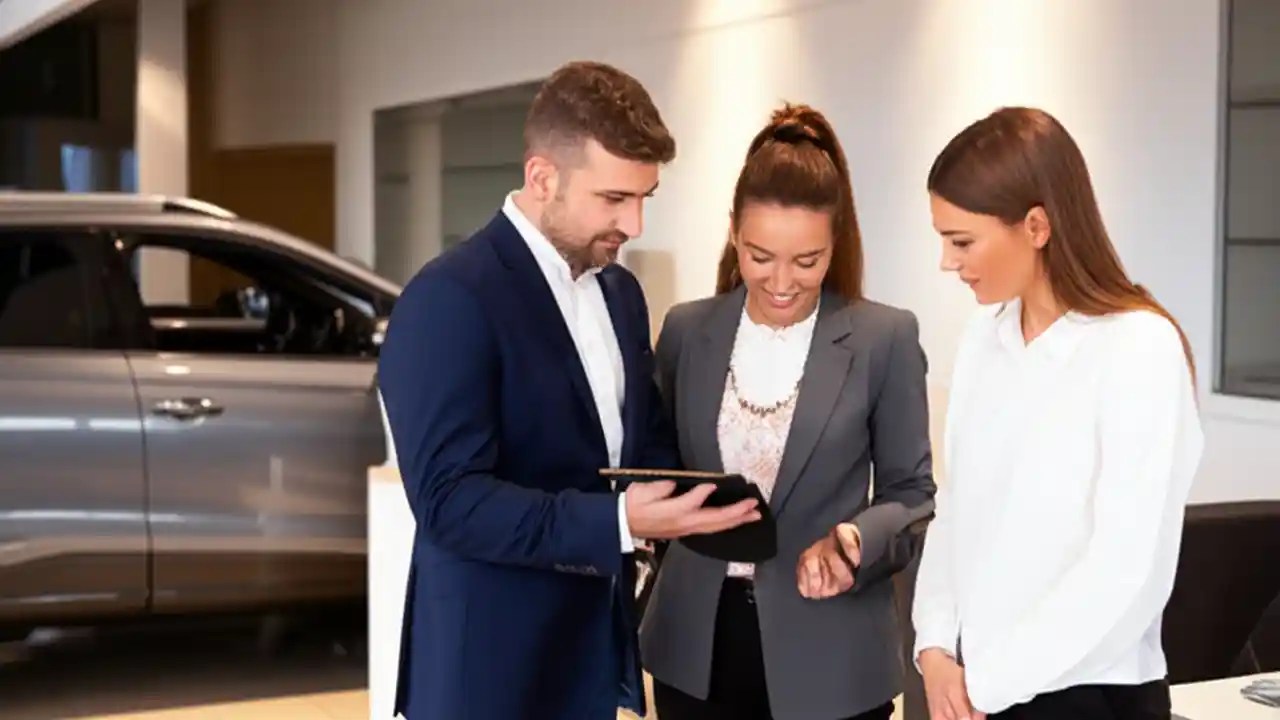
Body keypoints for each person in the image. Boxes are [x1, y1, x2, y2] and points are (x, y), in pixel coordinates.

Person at [377, 60, 762, 720]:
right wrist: (617, 521)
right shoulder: (449, 297)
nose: (635, 224)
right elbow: (449, 501)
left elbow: (633, 448)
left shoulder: (621, 294)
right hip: (485, 677)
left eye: (645, 198)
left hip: (591, 664)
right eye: (614, 199)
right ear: (541, 177)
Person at [639, 103, 938, 720]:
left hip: (834, 657)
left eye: (807, 261)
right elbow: (657, 470)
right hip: (694, 652)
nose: (781, 282)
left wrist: (854, 540)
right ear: (733, 233)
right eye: (760, 256)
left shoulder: (884, 338)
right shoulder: (686, 331)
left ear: (837, 242)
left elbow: (913, 493)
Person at [911, 107, 1204, 720]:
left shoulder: (1138, 347)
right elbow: (955, 507)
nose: (947, 261)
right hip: (975, 689)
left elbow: (1128, 570)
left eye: (961, 241)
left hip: (1088, 699)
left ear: (1037, 226)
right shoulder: (981, 338)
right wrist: (934, 646)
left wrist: (988, 683)